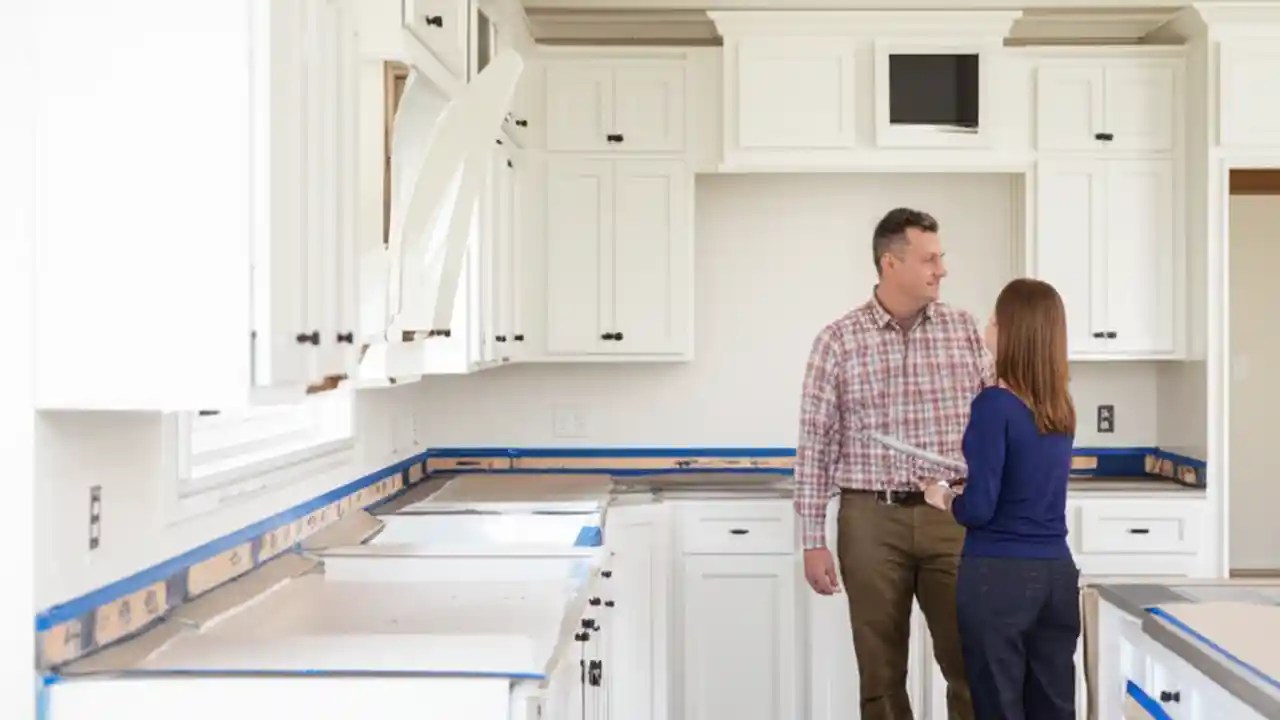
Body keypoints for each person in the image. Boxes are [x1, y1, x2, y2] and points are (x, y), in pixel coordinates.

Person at [795, 207, 992, 720]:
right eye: (929, 258)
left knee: (971, 662)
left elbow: (998, 425)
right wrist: (812, 539)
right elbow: (815, 442)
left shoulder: (965, 331)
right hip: (870, 521)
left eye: (941, 257)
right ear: (891, 263)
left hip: (952, 516)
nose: (941, 269)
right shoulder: (837, 341)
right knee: (879, 675)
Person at [922, 278, 1081, 720]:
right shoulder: (1061, 408)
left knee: (999, 707)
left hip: (998, 579)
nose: (987, 325)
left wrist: (942, 497)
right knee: (1053, 708)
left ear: (1013, 331)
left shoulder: (994, 405)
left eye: (995, 318)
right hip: (1057, 577)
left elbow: (979, 508)